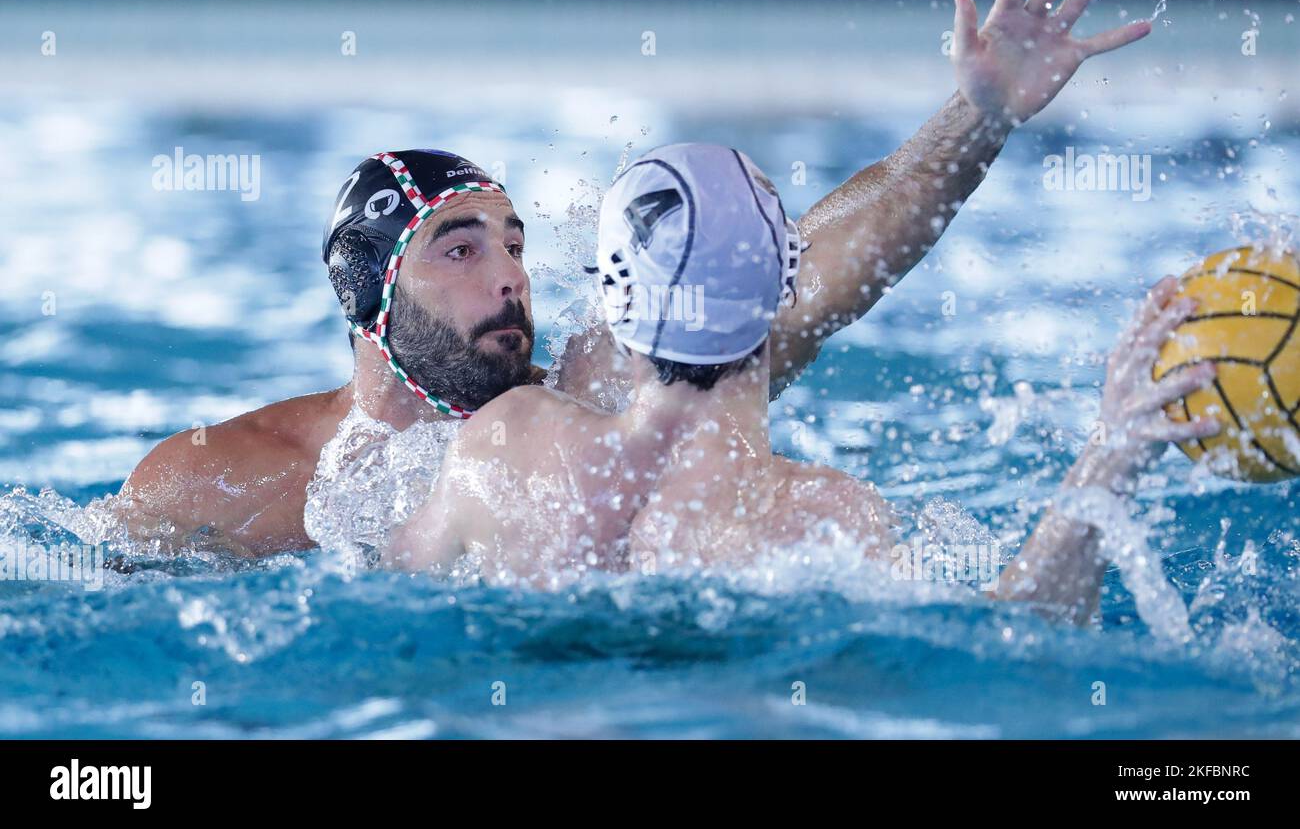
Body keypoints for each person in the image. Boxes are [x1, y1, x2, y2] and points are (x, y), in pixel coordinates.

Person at [117, 0, 1154, 559]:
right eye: (462, 249)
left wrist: (975, 119)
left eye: (516, 244)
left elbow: (814, 271)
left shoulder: (603, 383)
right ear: (368, 297)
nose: (512, 273)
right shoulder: (216, 484)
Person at [385, 144, 1220, 623]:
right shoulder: (821, 519)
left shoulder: (501, 443)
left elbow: (386, 586)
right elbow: (1030, 635)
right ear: (788, 287)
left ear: (612, 296)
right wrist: (1111, 452)